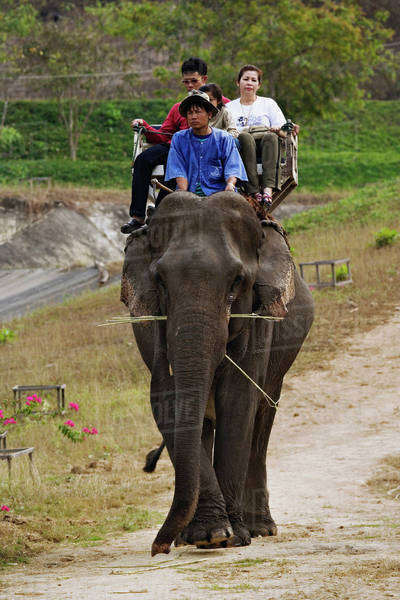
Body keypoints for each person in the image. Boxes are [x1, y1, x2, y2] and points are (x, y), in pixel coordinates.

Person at [121, 58, 230, 234]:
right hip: (177, 145)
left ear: (204, 79)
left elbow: (230, 128)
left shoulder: (220, 103)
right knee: (144, 159)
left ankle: (160, 211)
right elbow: (163, 135)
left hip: (208, 146)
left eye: (194, 81)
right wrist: (145, 126)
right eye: (186, 82)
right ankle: (138, 216)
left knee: (176, 164)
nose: (189, 85)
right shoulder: (179, 108)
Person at [225, 64, 298, 207]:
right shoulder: (229, 108)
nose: (249, 83)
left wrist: (278, 130)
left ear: (259, 85)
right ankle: (253, 191)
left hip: (266, 146)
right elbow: (225, 132)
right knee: (245, 138)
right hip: (241, 148)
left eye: (253, 80)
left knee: (271, 137)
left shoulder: (268, 103)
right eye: (246, 79)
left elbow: (283, 132)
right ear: (238, 82)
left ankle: (267, 189)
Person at [165, 90, 247, 197]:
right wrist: (183, 194)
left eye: (198, 112)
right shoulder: (179, 138)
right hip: (190, 193)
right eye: (190, 113)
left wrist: (230, 185)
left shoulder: (224, 138)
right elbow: (178, 169)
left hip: (219, 193)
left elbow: (233, 167)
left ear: (209, 114)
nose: (193, 117)